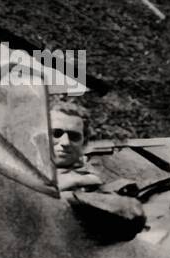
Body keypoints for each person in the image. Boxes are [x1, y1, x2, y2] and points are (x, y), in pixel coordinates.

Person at [48, 98, 146, 239]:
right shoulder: (19, 172)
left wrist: (74, 193)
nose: (65, 142)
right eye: (56, 133)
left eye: (74, 136)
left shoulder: (88, 183)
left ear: (84, 144)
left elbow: (131, 214)